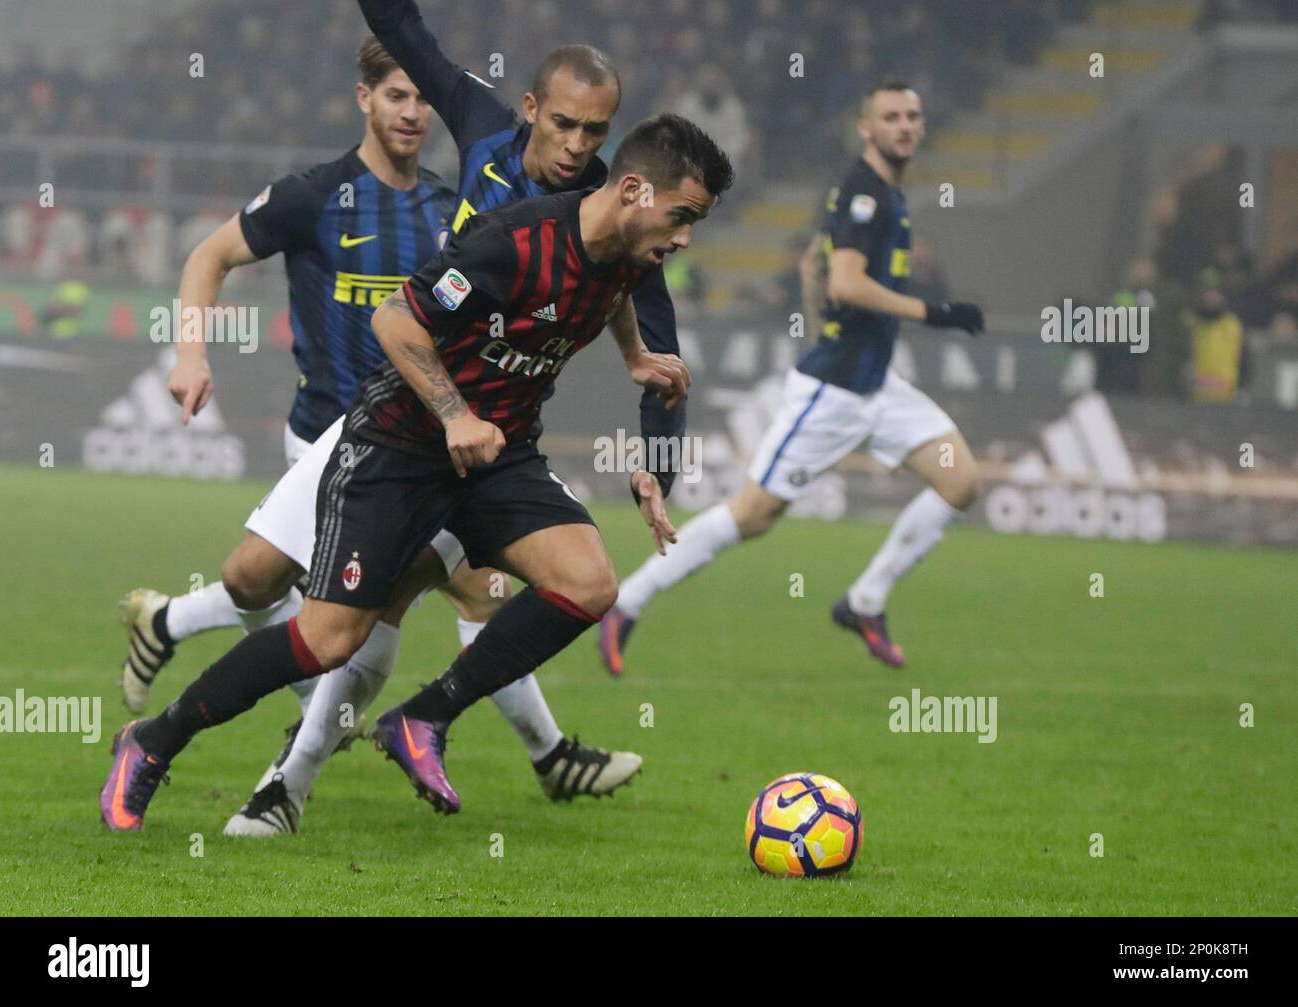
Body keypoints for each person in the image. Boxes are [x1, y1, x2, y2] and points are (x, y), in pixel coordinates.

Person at [100, 112, 734, 830]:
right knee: (326, 638)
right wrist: (456, 413)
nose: (685, 237)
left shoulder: (629, 252)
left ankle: (422, 718)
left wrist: (635, 358)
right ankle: (153, 740)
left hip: (496, 456)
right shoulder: (514, 243)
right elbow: (397, 321)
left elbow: (609, 292)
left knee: (587, 580)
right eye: (682, 216)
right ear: (631, 191)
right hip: (399, 446)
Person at [599, 81, 984, 676]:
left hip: (877, 384)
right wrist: (938, 314)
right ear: (866, 127)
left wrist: (819, 312)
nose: (905, 125)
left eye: (913, 115)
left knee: (961, 482)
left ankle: (864, 602)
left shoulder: (885, 193)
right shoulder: (864, 193)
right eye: (891, 116)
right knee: (751, 516)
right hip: (833, 391)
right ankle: (630, 599)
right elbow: (847, 283)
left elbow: (815, 265)